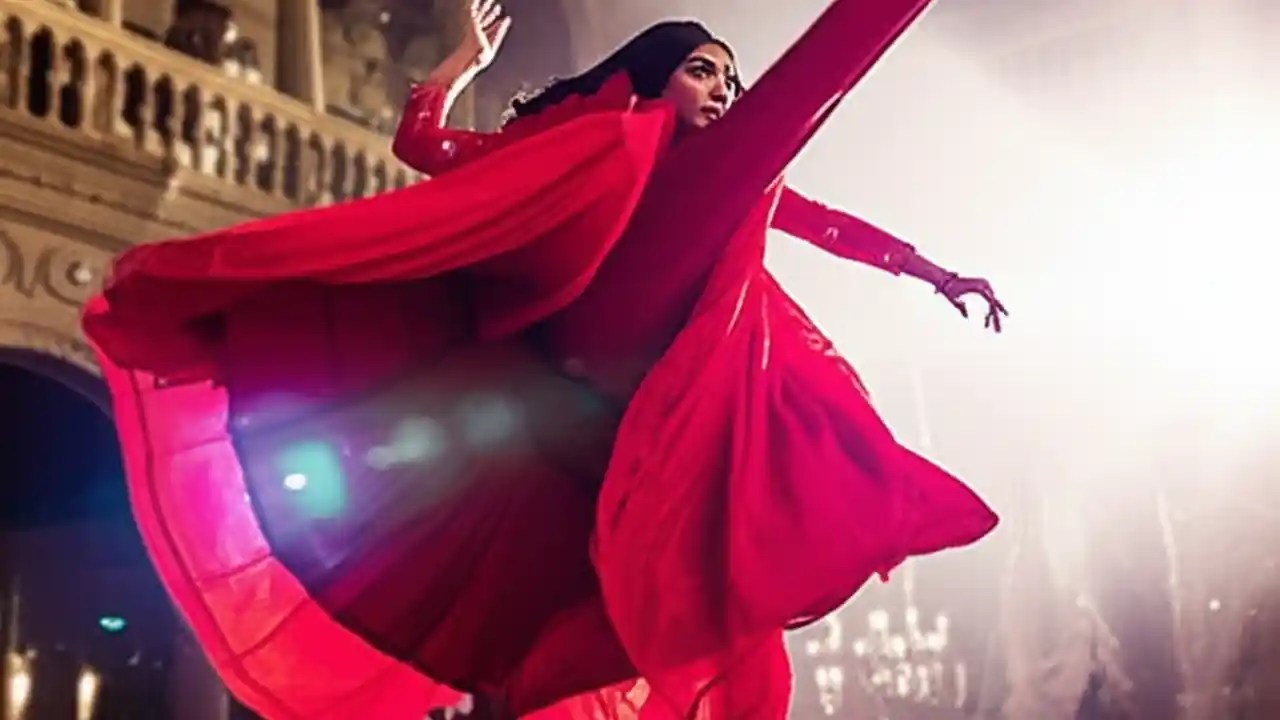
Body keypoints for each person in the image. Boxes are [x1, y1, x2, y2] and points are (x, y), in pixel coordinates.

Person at [82, 1, 1002, 717]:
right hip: (551, 363)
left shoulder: (731, 178)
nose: (723, 90)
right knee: (514, 593)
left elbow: (827, 209)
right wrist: (460, 66)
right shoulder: (590, 147)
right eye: (701, 71)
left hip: (617, 415)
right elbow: (423, 145)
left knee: (587, 622)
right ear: (651, 79)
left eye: (730, 77)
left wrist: (935, 272)